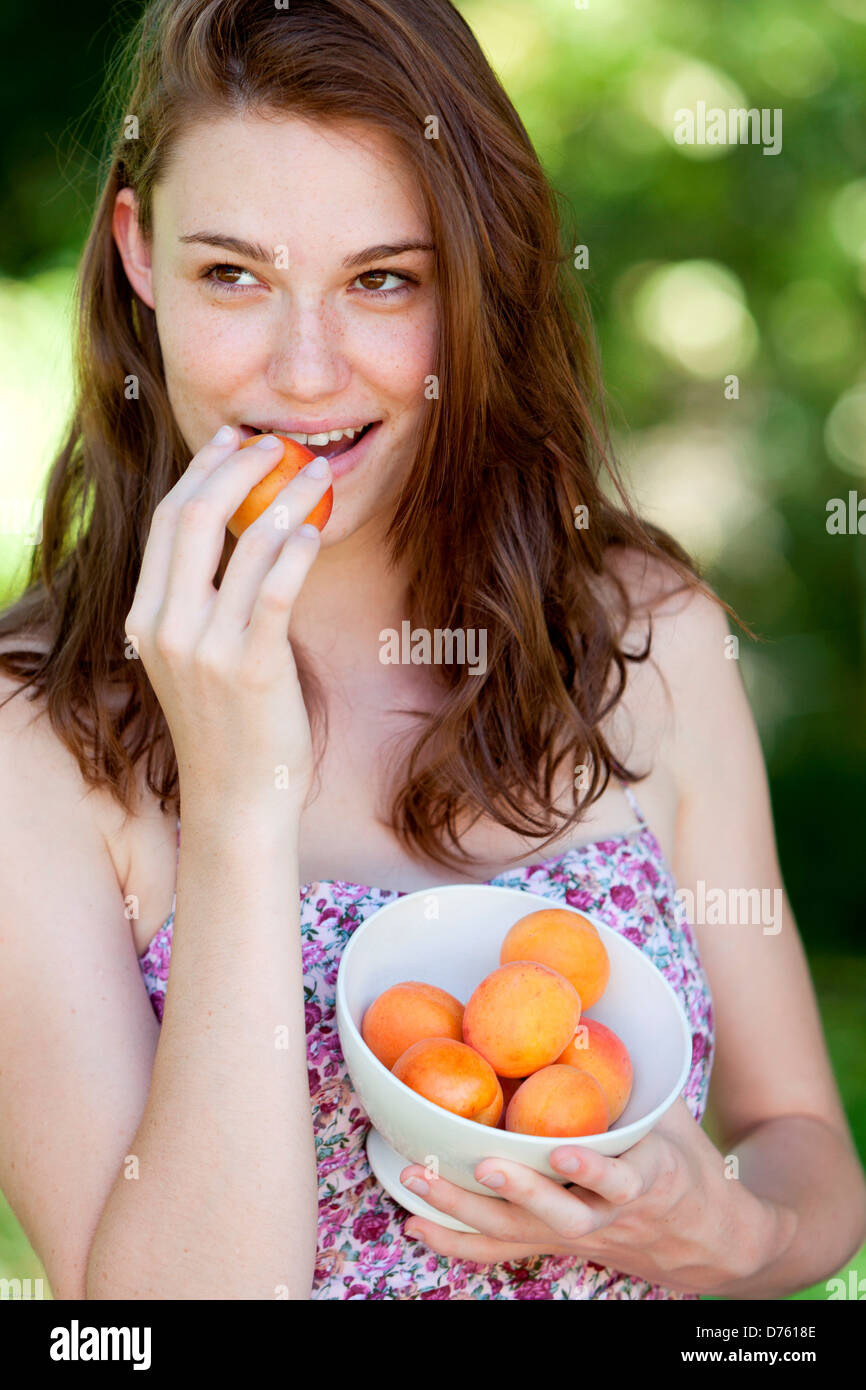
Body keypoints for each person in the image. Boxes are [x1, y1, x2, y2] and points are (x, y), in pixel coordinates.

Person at [0, 0, 863, 1302]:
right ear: (137, 253)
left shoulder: (640, 628)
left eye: (382, 279)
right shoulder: (34, 738)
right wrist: (239, 803)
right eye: (231, 273)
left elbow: (803, 1150)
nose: (302, 372)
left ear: (474, 282)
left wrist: (734, 1235)